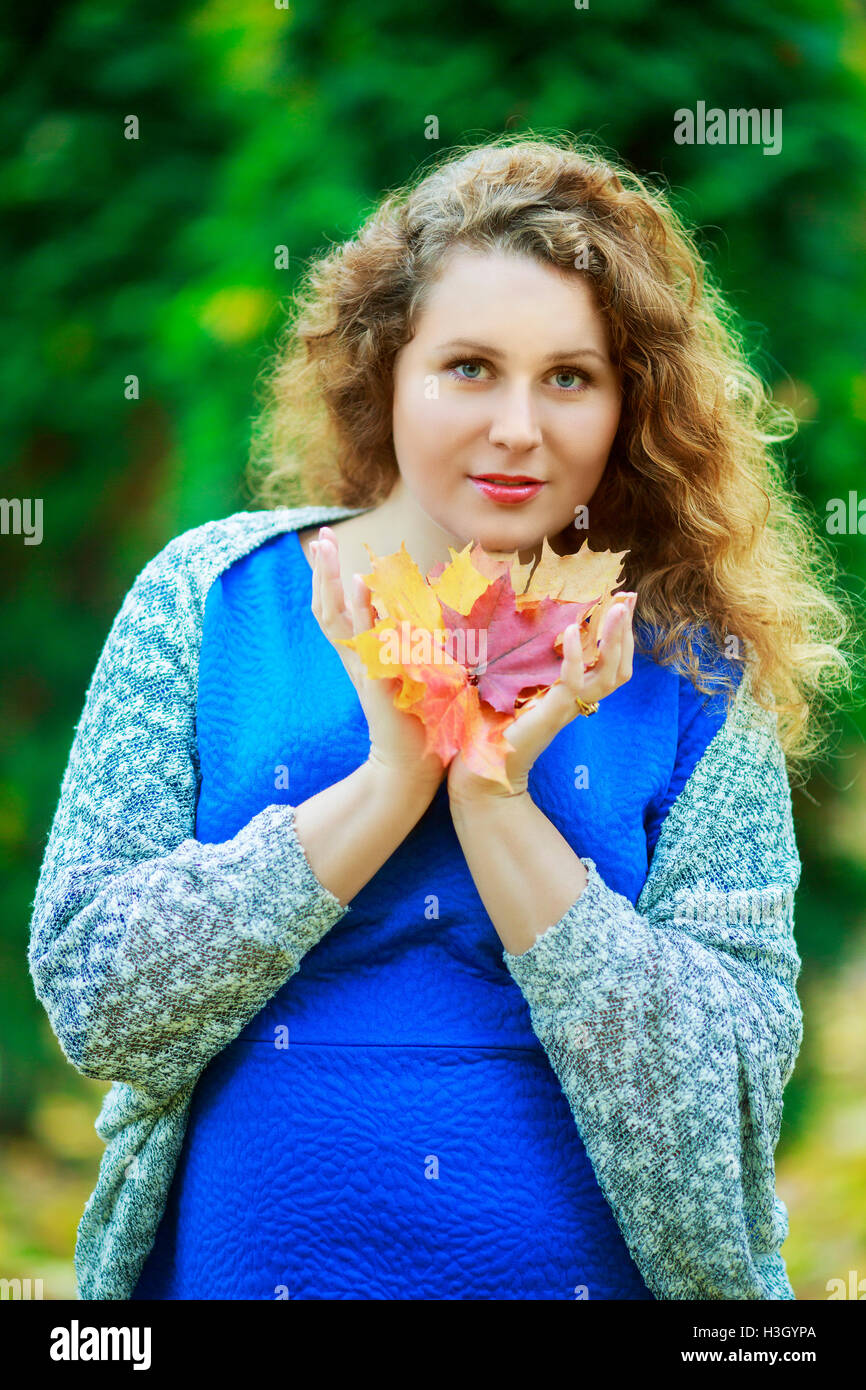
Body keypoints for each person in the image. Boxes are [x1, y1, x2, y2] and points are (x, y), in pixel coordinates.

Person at [28, 135, 854, 1300]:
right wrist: (386, 784)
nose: (519, 426)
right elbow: (94, 994)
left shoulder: (693, 670)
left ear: (628, 401)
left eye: (570, 376)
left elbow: (715, 1107)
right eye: (469, 366)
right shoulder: (212, 600)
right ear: (386, 372)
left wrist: (493, 798)